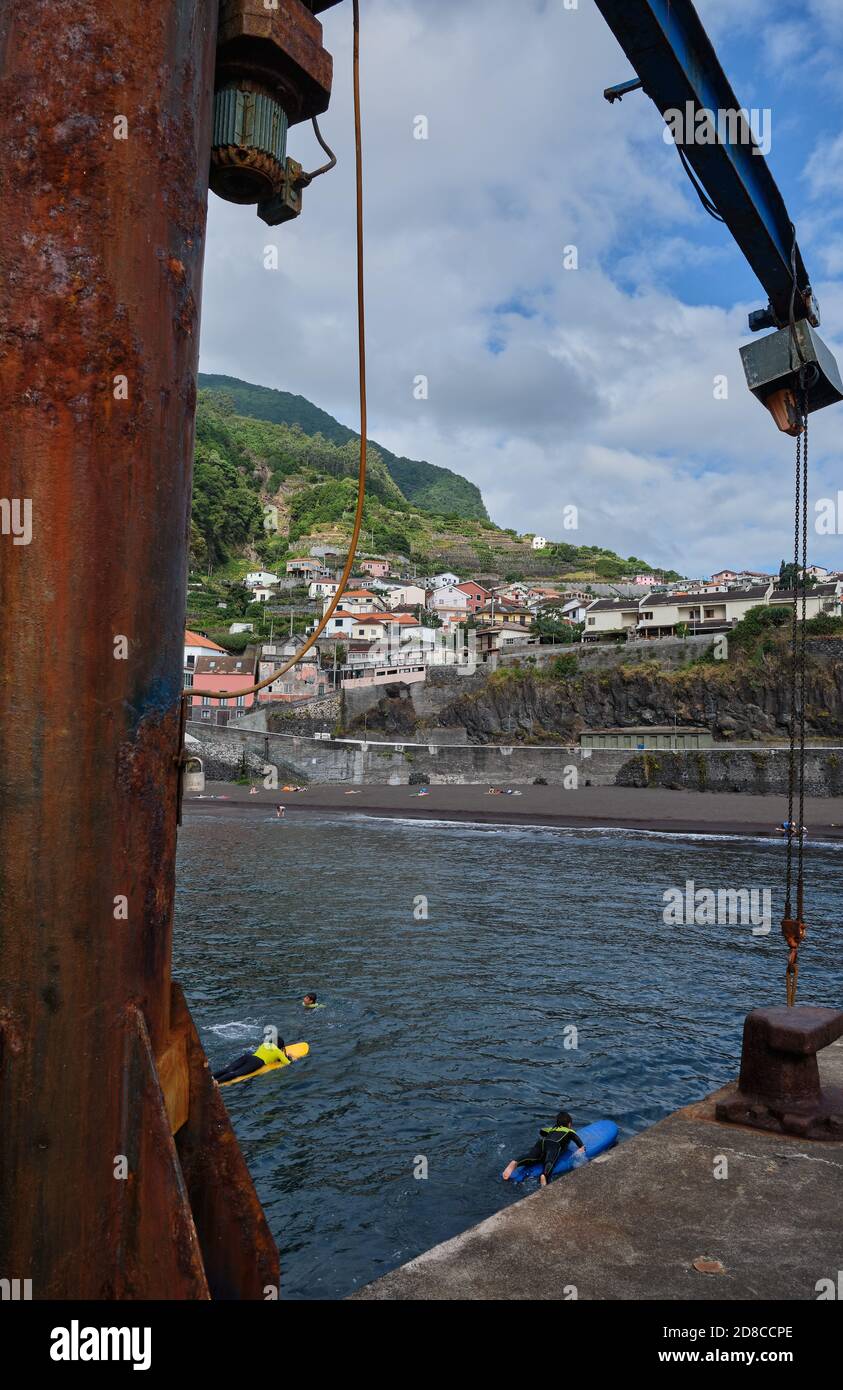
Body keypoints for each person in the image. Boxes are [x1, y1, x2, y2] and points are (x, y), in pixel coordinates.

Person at [502, 1109, 586, 1187]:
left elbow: (541, 1131)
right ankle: (544, 1175)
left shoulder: (552, 1129)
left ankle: (515, 1162)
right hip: (554, 1145)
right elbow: (579, 1143)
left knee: (532, 1157)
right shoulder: (570, 1131)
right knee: (550, 1161)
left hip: (542, 1142)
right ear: (569, 1124)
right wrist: (581, 1149)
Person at [213, 1033, 291, 1084]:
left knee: (228, 1068)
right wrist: (290, 1057)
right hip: (257, 1062)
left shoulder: (265, 1044)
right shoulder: (278, 1051)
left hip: (248, 1056)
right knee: (237, 1073)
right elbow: (287, 1062)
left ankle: (211, 1076)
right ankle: (217, 1082)